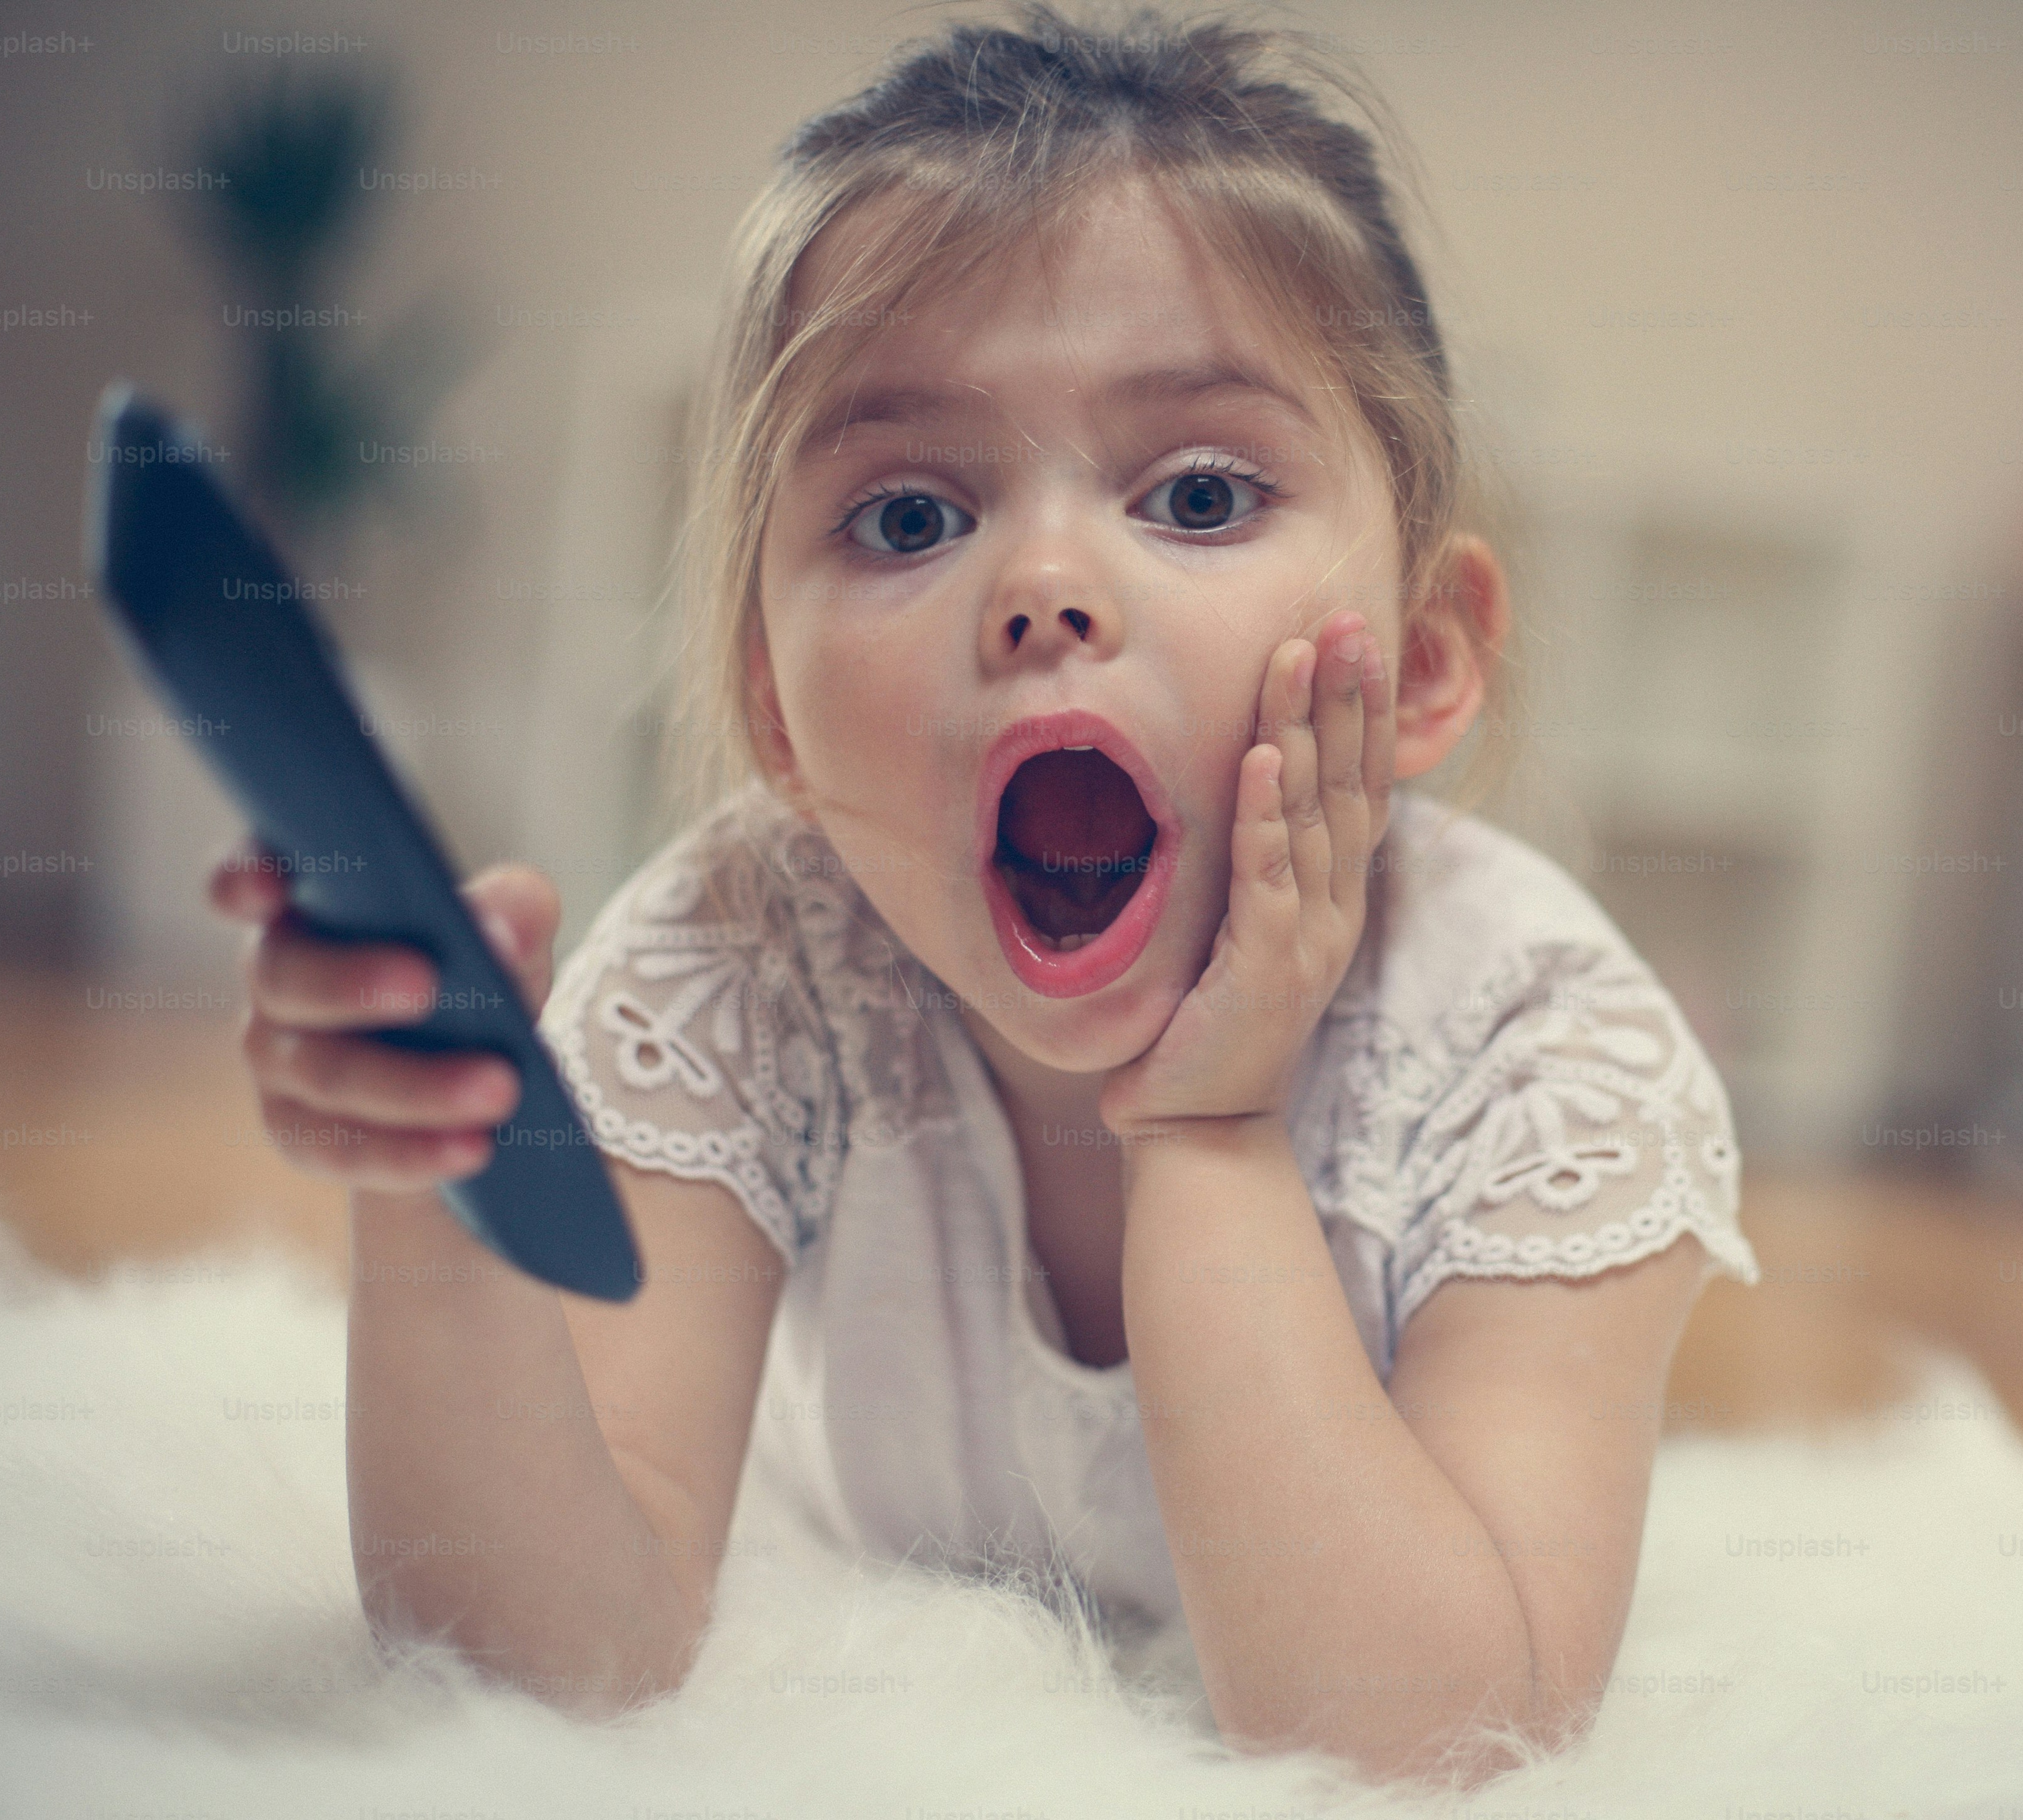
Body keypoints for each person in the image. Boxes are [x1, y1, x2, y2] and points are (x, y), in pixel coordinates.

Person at [208, 4, 1755, 1789]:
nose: (1039, 586)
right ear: (775, 707)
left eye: (1194, 491)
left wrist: (1213, 1134)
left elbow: (1429, 1739)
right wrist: (432, 1212)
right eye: (908, 520)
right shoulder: (750, 961)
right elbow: (551, 1668)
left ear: (1418, 664)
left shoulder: (1544, 1057)